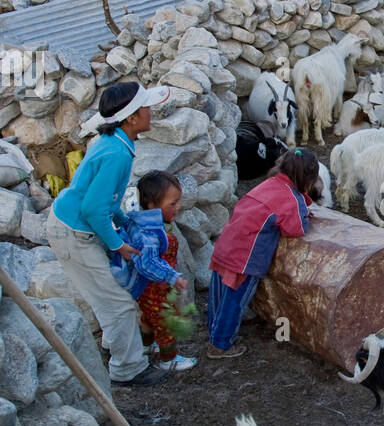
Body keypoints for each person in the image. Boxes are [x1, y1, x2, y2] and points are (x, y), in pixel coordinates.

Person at [46, 80, 171, 387]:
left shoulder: (115, 142)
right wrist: (118, 244)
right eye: (146, 107)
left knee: (110, 296)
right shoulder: (117, 153)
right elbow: (92, 209)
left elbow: (103, 199)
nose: (151, 111)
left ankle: (113, 346)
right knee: (118, 303)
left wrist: (124, 219)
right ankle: (128, 369)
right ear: (131, 118)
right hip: (74, 233)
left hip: (74, 223)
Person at [206, 146, 319, 359]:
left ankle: (214, 328)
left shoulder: (269, 184)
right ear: (309, 179)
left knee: (220, 293)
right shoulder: (290, 199)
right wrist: (305, 213)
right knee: (235, 301)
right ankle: (220, 345)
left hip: (226, 245)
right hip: (246, 258)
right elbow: (296, 229)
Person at [110, 170, 197, 374]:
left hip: (148, 291)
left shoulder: (143, 222)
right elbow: (147, 264)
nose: (178, 207)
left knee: (149, 319)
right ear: (151, 206)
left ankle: (147, 346)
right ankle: (169, 359)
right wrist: (172, 277)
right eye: (172, 204)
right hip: (155, 289)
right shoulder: (147, 234)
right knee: (166, 323)